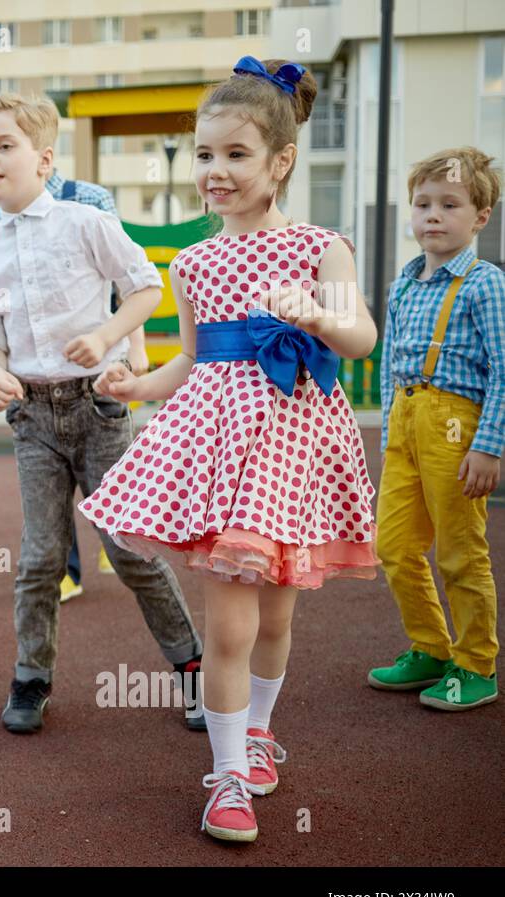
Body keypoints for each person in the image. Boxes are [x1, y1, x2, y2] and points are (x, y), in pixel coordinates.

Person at [79, 58, 380, 842]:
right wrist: (134, 386)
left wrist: (315, 313)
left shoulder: (323, 246)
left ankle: (257, 729)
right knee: (230, 628)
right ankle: (226, 778)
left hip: (294, 447)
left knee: (277, 619)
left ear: (280, 161)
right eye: (205, 154)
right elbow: (189, 361)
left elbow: (361, 335)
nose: (215, 171)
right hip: (219, 453)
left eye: (236, 155)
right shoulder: (197, 260)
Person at [0, 92, 206, 736]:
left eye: (4, 146)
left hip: (97, 410)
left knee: (129, 550)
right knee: (41, 557)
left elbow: (145, 287)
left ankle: (192, 670)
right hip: (33, 419)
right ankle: (31, 677)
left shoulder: (84, 222)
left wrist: (105, 338)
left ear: (44, 160)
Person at [367, 146, 503, 711]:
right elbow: (388, 368)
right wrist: (388, 439)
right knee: (394, 545)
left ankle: (476, 664)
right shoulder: (403, 285)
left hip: (457, 426)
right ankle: (431, 647)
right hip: (407, 421)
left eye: (450, 204)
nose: (433, 215)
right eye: (423, 203)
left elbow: (503, 366)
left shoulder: (484, 283)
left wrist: (489, 446)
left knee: (460, 551)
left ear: (480, 217)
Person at [0, 169, 147, 601]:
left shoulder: (90, 200)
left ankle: (119, 544)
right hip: (39, 380)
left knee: (112, 484)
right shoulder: (1, 213)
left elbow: (126, 280)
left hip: (93, 370)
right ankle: (66, 571)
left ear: (42, 154)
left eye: (7, 146)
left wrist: (134, 349)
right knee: (49, 491)